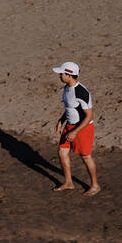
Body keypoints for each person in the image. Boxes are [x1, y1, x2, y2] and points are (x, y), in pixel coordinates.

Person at [51, 61, 100, 195]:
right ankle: (68, 182)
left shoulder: (81, 92)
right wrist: (61, 121)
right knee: (62, 152)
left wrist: (75, 131)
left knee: (85, 157)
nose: (60, 75)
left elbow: (89, 116)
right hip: (69, 126)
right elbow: (69, 107)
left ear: (70, 75)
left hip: (82, 128)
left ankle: (95, 185)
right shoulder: (67, 88)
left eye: (62, 73)